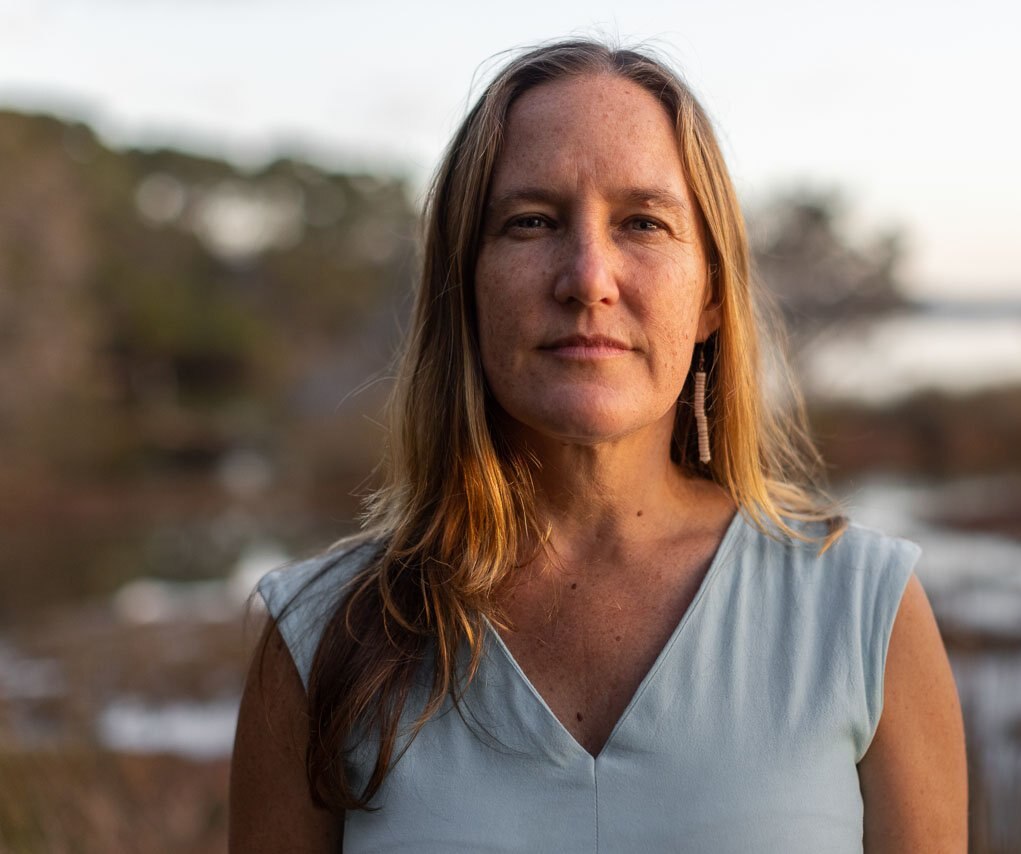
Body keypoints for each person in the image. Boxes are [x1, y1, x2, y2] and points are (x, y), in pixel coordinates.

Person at [229, 38, 966, 853]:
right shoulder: (316, 638)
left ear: (713, 297)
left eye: (643, 223)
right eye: (531, 222)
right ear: (463, 287)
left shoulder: (864, 612)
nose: (587, 276)